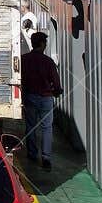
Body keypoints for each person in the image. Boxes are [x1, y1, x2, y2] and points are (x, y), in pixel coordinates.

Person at [20, 31, 63, 169]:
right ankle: (46, 157)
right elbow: (56, 83)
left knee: (31, 126)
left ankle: (32, 154)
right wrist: (57, 92)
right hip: (46, 98)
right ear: (43, 44)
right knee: (47, 128)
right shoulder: (48, 62)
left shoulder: (24, 59)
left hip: (30, 96)